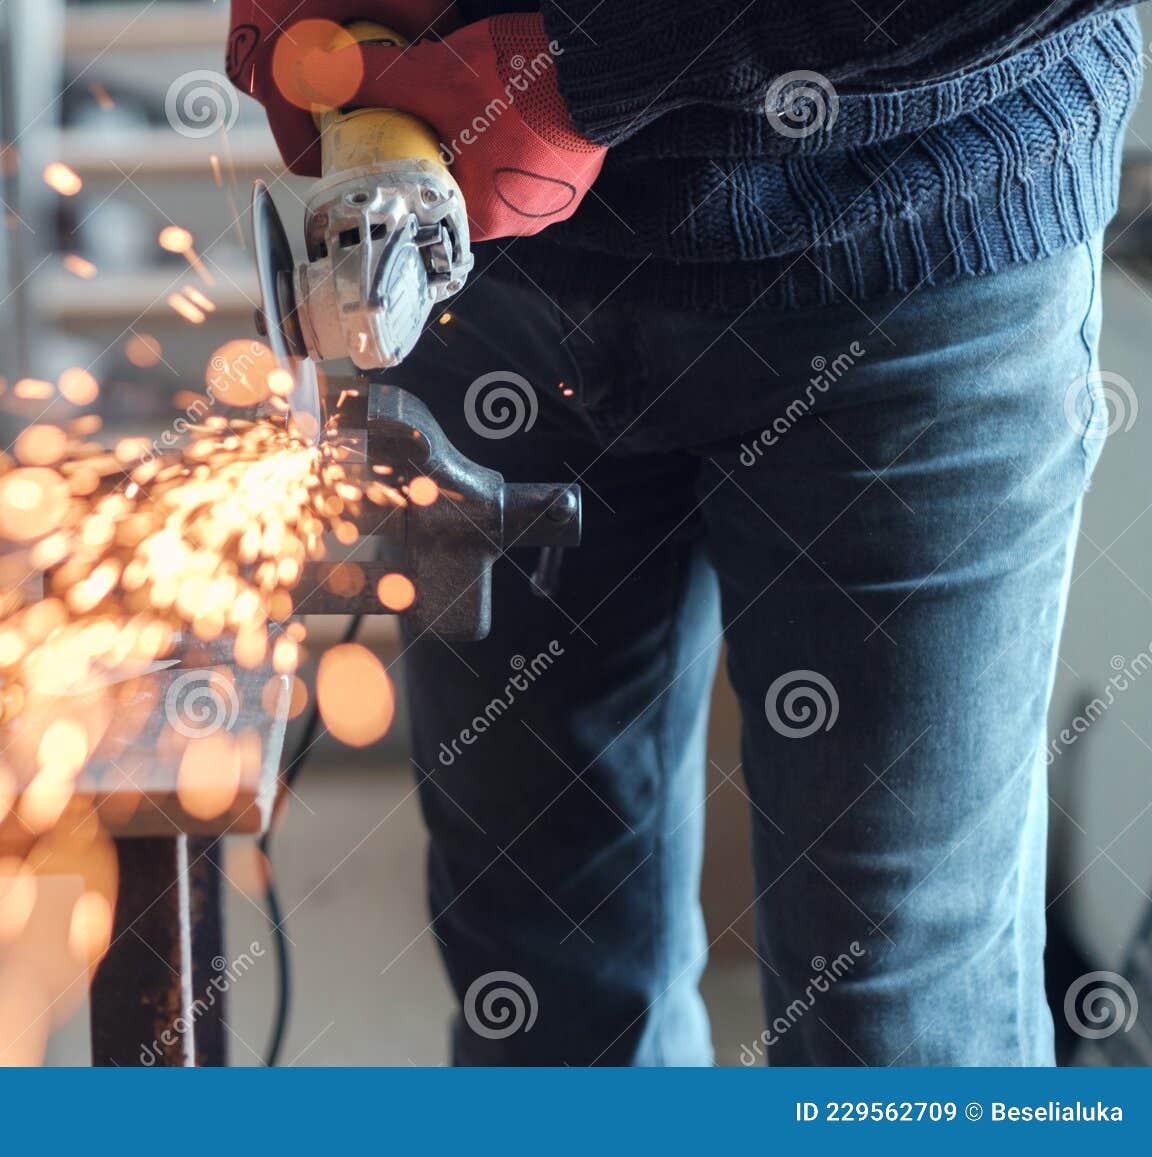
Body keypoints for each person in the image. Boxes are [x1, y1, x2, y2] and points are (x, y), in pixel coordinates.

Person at [227, 0, 1145, 1065]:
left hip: (913, 245)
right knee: (541, 984)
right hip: (479, 266)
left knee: (896, 1016)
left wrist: (577, 67)